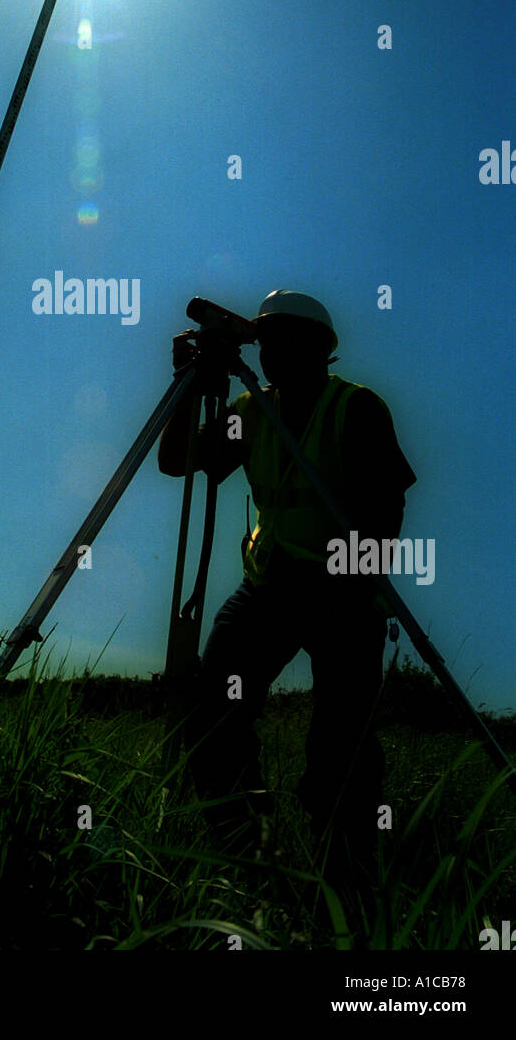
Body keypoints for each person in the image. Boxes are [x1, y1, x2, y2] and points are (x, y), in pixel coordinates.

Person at [157, 289, 416, 910]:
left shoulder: (355, 408)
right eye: (266, 341)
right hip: (269, 585)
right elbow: (176, 461)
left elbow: (387, 508)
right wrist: (190, 383)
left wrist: (354, 582)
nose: (272, 353)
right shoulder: (249, 410)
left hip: (345, 591)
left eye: (287, 340)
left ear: (322, 349)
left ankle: (346, 884)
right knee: (215, 713)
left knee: (341, 748)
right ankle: (248, 860)